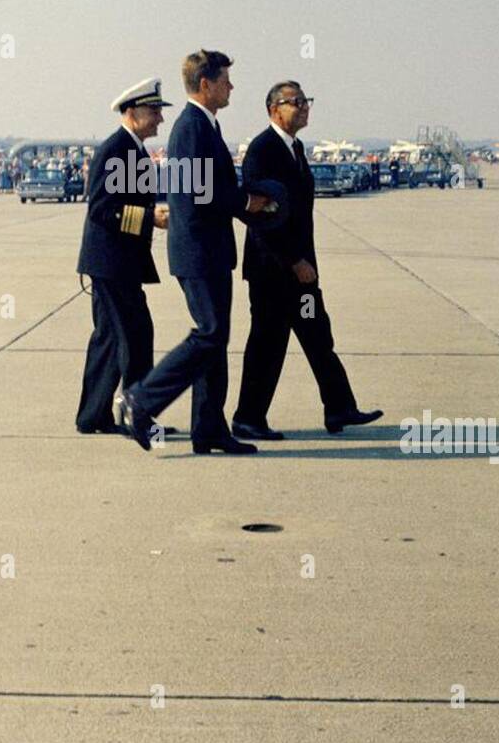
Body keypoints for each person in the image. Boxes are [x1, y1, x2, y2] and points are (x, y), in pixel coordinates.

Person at [121, 50, 271, 454]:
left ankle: (209, 428)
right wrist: (245, 203)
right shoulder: (191, 128)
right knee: (209, 333)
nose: (231, 87)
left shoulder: (205, 126)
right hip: (199, 251)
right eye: (225, 80)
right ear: (205, 84)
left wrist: (242, 203)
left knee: (216, 338)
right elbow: (201, 192)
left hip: (210, 250)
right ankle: (142, 398)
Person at [232, 82, 383, 439]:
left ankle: (339, 407)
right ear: (274, 110)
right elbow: (260, 216)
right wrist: (294, 260)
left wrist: (305, 265)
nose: (303, 107)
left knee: (317, 334)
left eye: (305, 101)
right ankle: (248, 418)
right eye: (294, 102)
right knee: (267, 344)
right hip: (274, 272)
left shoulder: (295, 149)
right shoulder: (263, 150)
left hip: (301, 276)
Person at [75, 77, 172, 433]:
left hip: (119, 262)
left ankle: (93, 416)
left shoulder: (132, 150)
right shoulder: (116, 150)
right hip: (111, 263)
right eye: (154, 111)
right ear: (132, 112)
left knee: (109, 340)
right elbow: (102, 208)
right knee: (135, 336)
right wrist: (150, 218)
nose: (160, 119)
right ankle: (138, 416)